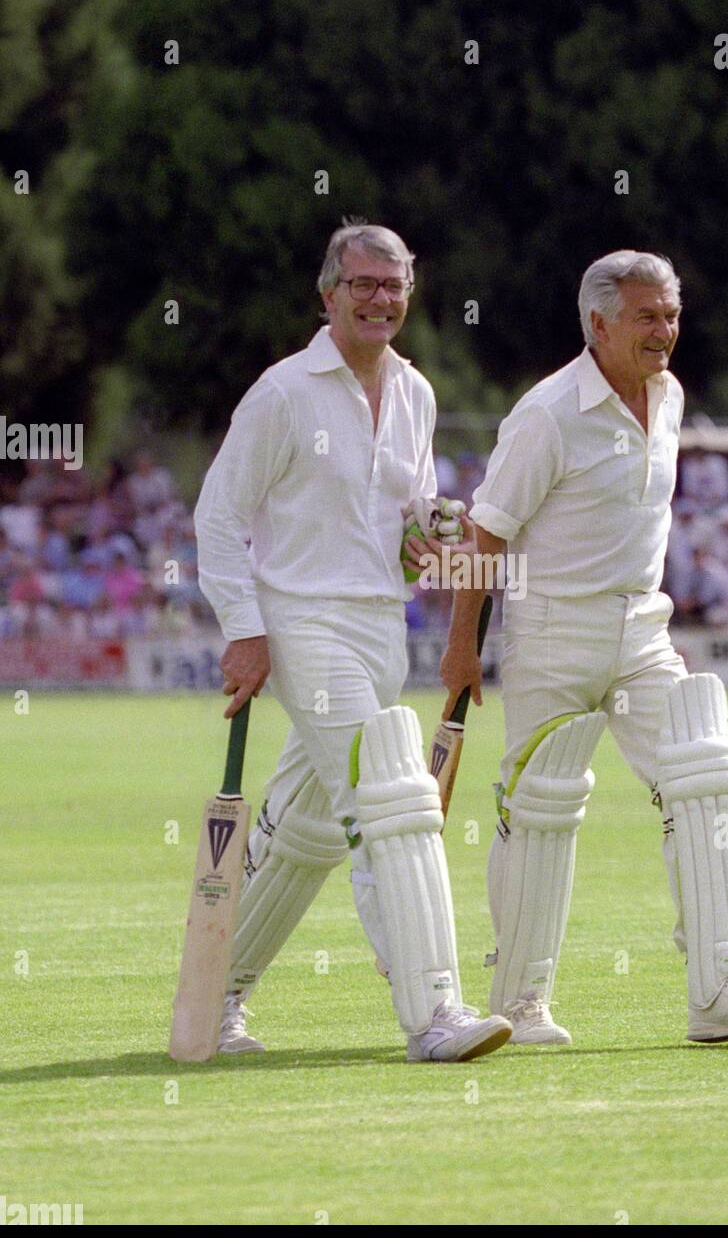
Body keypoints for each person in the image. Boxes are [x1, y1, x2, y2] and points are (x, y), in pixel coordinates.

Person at [439, 250, 728, 1046]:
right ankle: (519, 1002)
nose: (664, 332)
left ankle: (721, 987)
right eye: (646, 317)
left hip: (642, 628)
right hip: (550, 630)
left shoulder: (668, 395)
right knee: (540, 808)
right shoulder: (547, 412)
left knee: (705, 772)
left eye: (670, 315)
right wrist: (461, 646)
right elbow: (485, 530)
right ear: (597, 323)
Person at [193, 220, 511, 1064]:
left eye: (393, 285)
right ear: (327, 293)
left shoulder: (415, 391)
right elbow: (218, 516)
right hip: (301, 620)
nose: (379, 299)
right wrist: (245, 632)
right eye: (362, 284)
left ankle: (215, 997)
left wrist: (432, 547)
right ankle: (433, 1008)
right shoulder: (283, 392)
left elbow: (415, 516)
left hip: (380, 625)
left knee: (309, 828)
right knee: (390, 799)